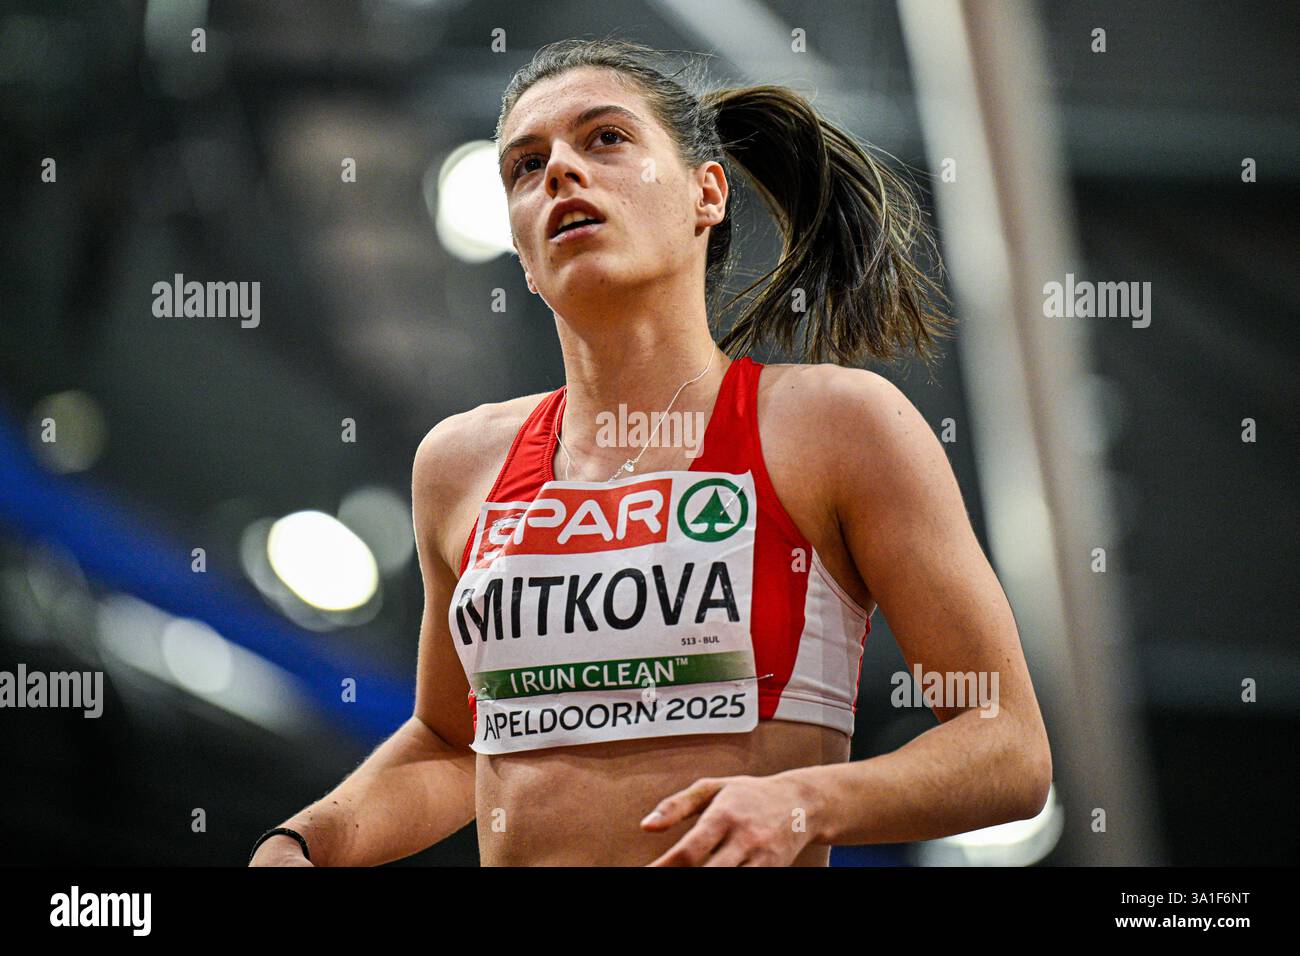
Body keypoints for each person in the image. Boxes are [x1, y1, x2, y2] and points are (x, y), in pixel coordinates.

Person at [250, 37, 1051, 868]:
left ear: (707, 194)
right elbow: (451, 744)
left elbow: (1007, 746)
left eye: (605, 139)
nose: (559, 171)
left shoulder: (835, 425)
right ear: (521, 254)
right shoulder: (460, 465)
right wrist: (304, 842)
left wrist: (805, 801)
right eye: (525, 166)